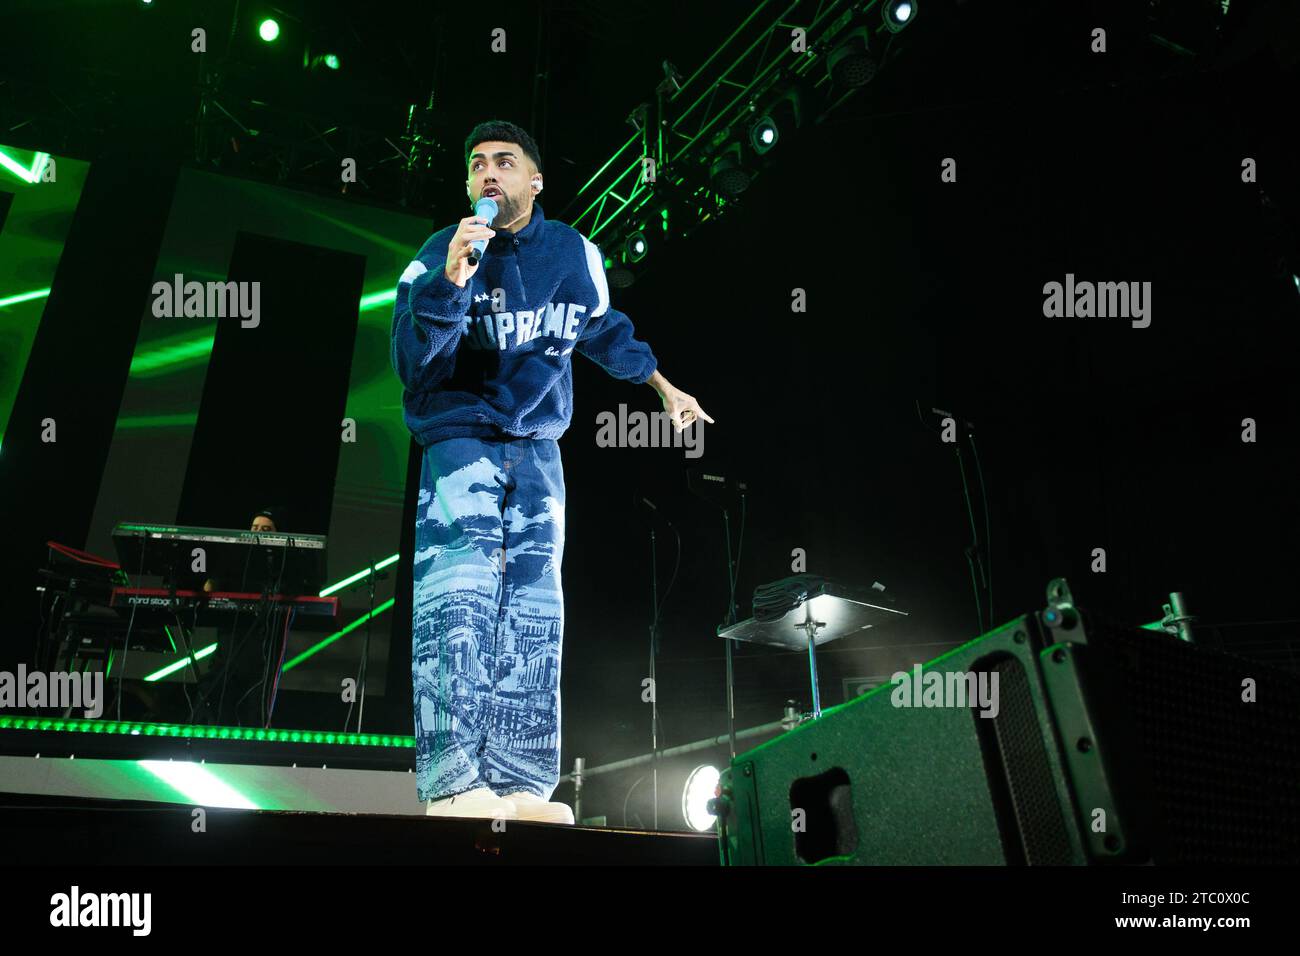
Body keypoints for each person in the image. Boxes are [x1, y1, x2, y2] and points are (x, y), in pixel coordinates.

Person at [391, 120, 713, 823]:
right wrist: (449, 284)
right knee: (460, 603)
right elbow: (412, 368)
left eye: (504, 162)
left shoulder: (574, 253)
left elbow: (604, 329)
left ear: (535, 181)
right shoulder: (432, 258)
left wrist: (665, 389)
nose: (487, 175)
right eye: (476, 164)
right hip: (460, 442)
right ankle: (454, 783)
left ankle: (519, 785)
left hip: (538, 449)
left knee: (533, 614)